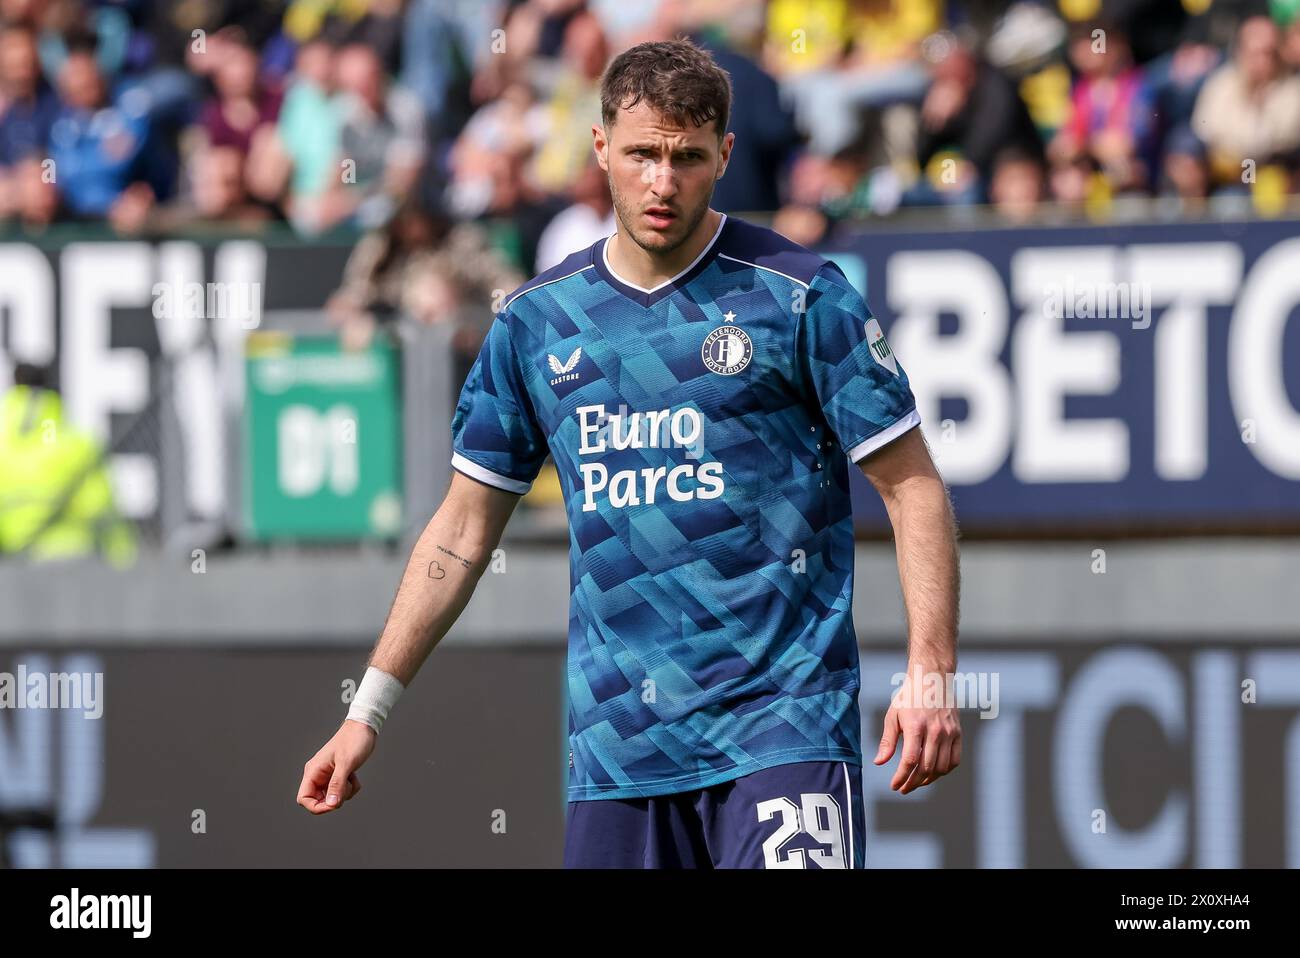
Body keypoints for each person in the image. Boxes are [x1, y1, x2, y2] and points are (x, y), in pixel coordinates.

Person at [297, 38, 961, 869]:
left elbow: (914, 489)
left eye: (686, 157)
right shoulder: (538, 324)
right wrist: (370, 711)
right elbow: (461, 531)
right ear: (601, 147)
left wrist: (930, 669)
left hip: (782, 726)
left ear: (724, 154)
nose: (662, 180)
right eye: (643, 153)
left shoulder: (798, 294)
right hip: (618, 755)